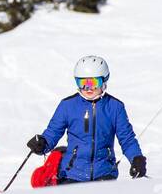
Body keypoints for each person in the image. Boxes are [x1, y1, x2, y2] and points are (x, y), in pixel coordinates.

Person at [27, 55, 146, 183]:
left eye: (93, 83)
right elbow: (53, 132)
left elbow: (127, 139)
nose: (88, 88)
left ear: (104, 80)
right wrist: (43, 143)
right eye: (82, 83)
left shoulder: (115, 107)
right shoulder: (68, 105)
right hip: (72, 174)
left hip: (104, 174)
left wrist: (136, 158)